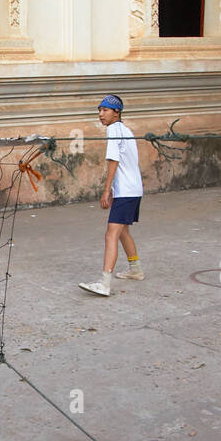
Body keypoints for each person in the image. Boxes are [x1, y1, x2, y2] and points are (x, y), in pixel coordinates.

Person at [79, 94, 144, 296]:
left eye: (105, 110)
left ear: (117, 112)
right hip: (134, 190)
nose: (101, 114)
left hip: (125, 191)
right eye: (99, 110)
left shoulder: (115, 130)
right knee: (123, 232)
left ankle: (104, 283)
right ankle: (136, 270)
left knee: (111, 235)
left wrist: (107, 190)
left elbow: (113, 161)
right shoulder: (126, 130)